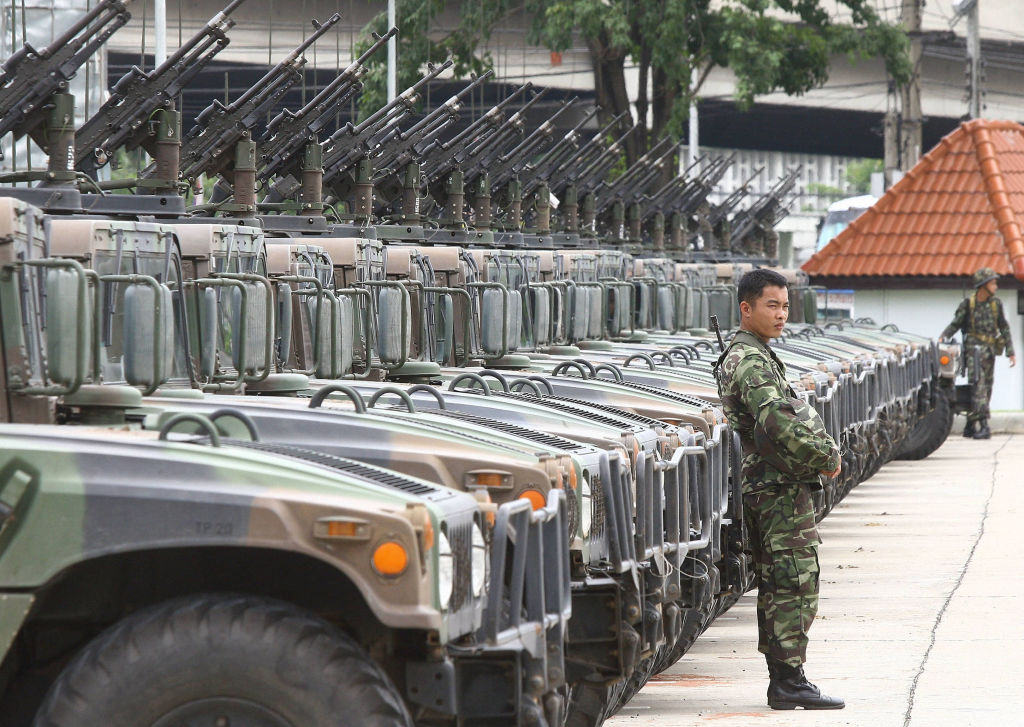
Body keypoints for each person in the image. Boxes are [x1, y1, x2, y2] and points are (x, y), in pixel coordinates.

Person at [714, 269, 844, 710]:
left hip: (772, 485)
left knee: (781, 581)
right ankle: (788, 680)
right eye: (772, 305)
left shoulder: (755, 354)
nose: (782, 314)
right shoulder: (749, 361)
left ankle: (786, 680)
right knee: (794, 579)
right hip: (775, 488)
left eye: (785, 306)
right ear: (746, 308)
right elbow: (777, 421)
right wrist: (825, 457)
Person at [941, 267, 1017, 440]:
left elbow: (1004, 327)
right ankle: (983, 426)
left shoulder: (996, 304)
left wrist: (1010, 352)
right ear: (983, 285)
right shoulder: (968, 304)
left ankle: (970, 424)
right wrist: (943, 336)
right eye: (993, 283)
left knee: (987, 387)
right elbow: (955, 324)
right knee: (978, 387)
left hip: (989, 352)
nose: (996, 286)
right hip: (973, 351)